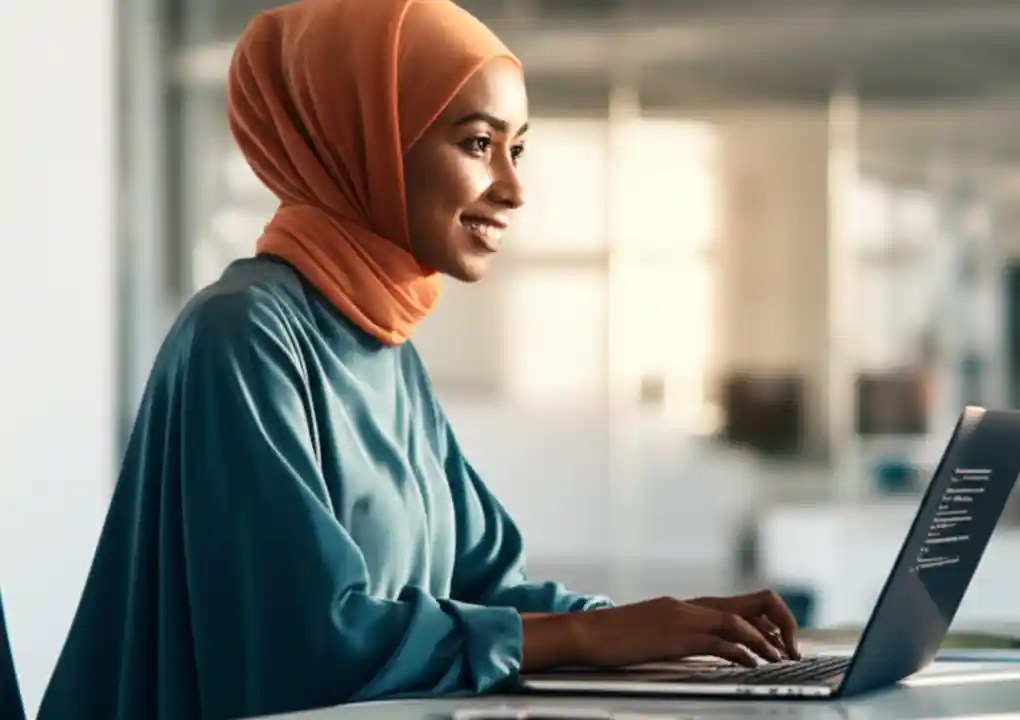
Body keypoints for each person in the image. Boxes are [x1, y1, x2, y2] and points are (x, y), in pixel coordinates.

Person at [37, 1, 800, 718]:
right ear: (364, 137)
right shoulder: (243, 337)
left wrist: (670, 630)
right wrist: (600, 639)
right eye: (477, 143)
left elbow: (486, 587)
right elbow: (302, 649)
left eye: (519, 148)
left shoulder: (382, 342)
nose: (513, 187)